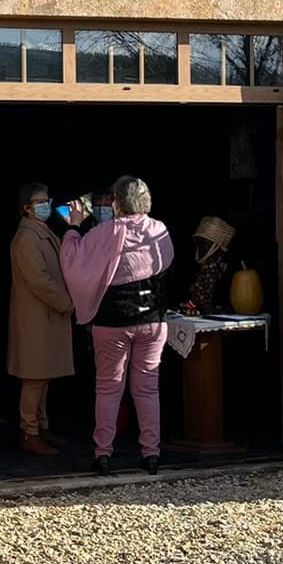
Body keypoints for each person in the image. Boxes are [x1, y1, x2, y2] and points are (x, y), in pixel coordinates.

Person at [58, 175, 174, 475]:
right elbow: (165, 265)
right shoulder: (159, 229)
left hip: (112, 321)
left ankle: (103, 454)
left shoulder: (104, 233)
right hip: (152, 318)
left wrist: (72, 227)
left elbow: (72, 262)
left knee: (108, 388)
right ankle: (151, 454)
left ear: (117, 202)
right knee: (148, 388)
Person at [6, 182, 73, 456]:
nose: (45, 205)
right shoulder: (26, 238)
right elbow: (39, 280)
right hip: (37, 317)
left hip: (47, 316)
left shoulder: (42, 232)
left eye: (47, 200)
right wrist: (67, 302)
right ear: (26, 208)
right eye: (39, 201)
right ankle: (29, 431)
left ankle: (42, 426)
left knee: (44, 376)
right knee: (34, 377)